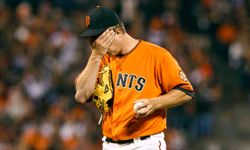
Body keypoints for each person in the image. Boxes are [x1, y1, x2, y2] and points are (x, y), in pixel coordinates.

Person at [75, 6, 194, 150]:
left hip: (145, 143)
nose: (96, 45)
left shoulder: (156, 55)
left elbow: (185, 91)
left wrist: (156, 103)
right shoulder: (100, 58)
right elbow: (81, 96)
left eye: (99, 38)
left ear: (117, 31)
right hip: (109, 144)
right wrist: (95, 56)